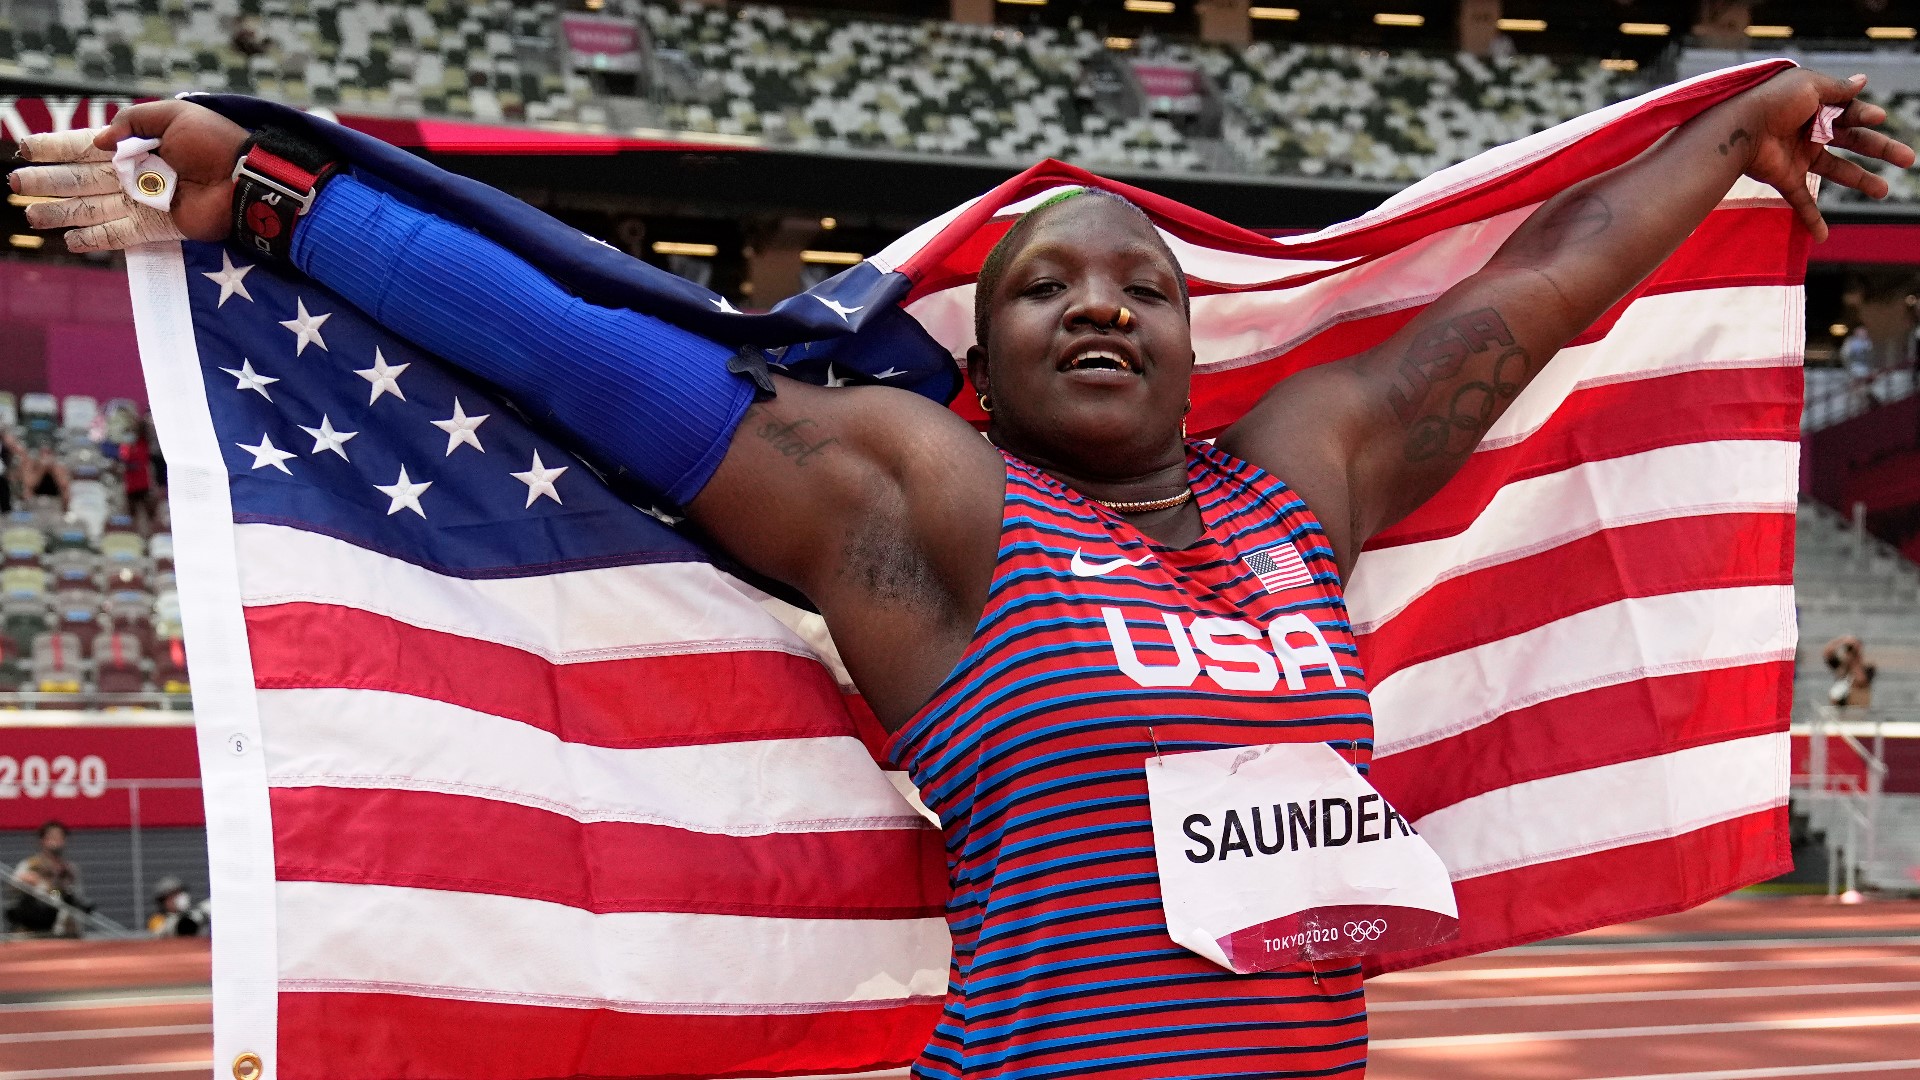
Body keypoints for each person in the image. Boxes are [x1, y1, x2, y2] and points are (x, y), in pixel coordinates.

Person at [15, 69, 1911, 1077]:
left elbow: (1529, 300)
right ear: (978, 357)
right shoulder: (932, 509)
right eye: (1044, 289)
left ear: (1190, 337)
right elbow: (607, 364)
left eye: (1141, 285)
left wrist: (1730, 137)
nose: (1101, 304)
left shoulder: (1301, 488)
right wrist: (275, 201)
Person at [6, 820, 90, 936]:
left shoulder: (70, 870)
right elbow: (13, 886)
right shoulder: (31, 865)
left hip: (62, 931)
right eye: (52, 836)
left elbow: (75, 898)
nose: (56, 840)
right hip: (32, 927)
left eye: (60, 836)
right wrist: (33, 882)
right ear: (42, 840)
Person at [1824, 634, 1876, 711]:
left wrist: (1854, 656)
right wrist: (1842, 640)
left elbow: (1861, 680)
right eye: (1848, 651)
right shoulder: (1842, 666)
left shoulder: (1868, 668)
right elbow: (1827, 653)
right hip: (1840, 712)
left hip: (1858, 711)